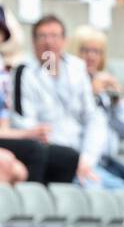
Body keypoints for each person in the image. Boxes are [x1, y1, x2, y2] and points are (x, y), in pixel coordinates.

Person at [8, 15, 108, 187]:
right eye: (42, 36)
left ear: (64, 41)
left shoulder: (77, 68)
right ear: (33, 42)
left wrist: (87, 159)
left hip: (84, 160)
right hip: (52, 156)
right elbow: (24, 123)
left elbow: (93, 118)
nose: (48, 42)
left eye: (54, 36)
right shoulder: (23, 72)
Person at [72, 25, 124, 189]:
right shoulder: (71, 82)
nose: (91, 57)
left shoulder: (104, 85)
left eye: (97, 52)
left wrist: (118, 104)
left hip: (107, 161)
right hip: (82, 161)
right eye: (85, 51)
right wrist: (92, 94)